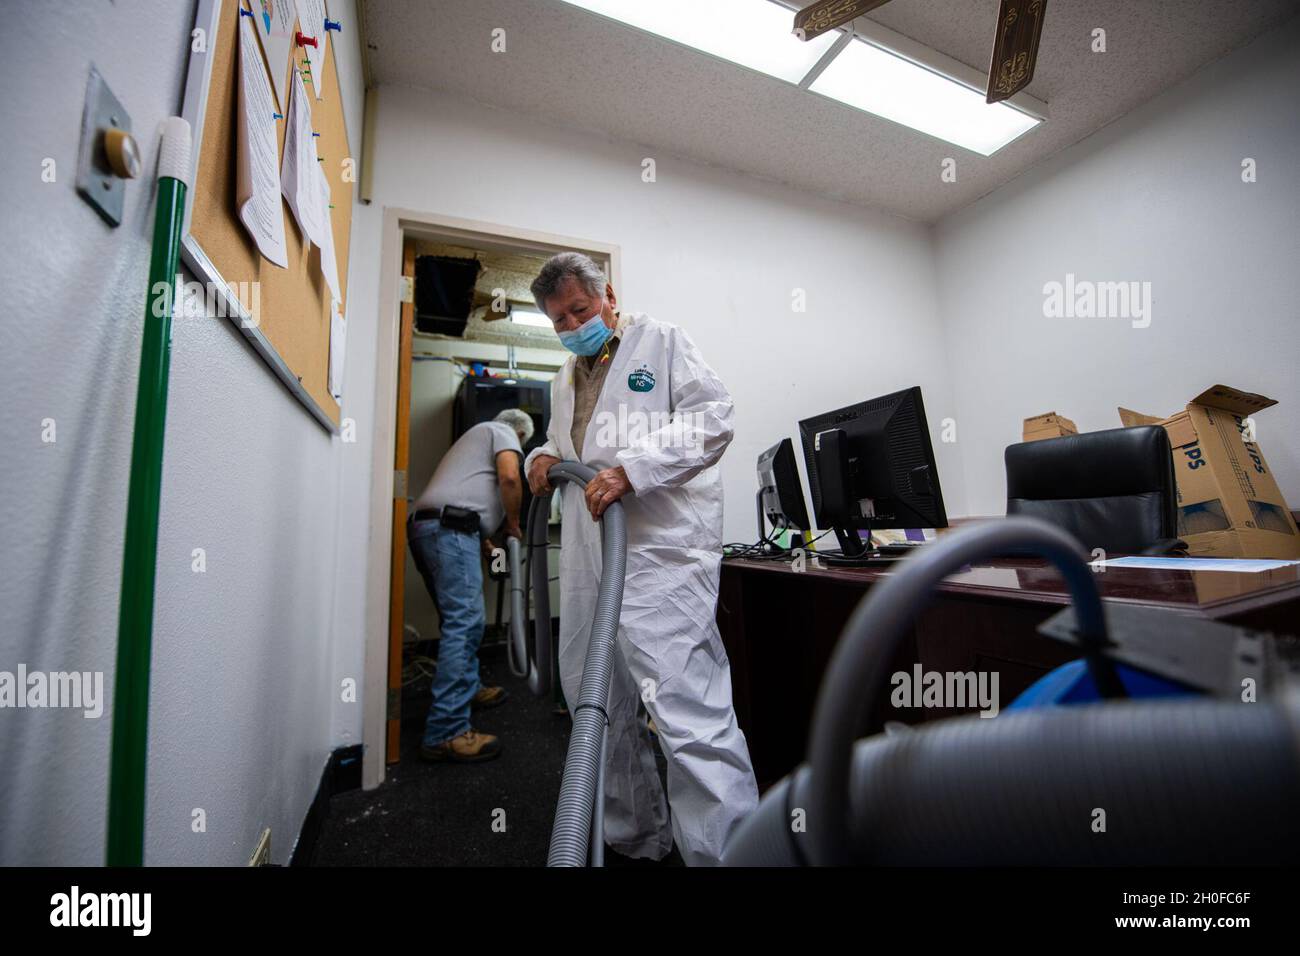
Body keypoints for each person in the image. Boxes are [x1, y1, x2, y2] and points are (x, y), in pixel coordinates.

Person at [524, 251, 759, 866]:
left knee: (686, 713)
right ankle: (636, 837)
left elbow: (714, 418)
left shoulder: (660, 342)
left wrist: (636, 469)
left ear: (608, 298)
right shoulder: (563, 379)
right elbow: (560, 447)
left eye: (579, 309)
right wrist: (539, 462)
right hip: (587, 559)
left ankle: (727, 854)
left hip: (660, 558)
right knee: (594, 703)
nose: (572, 325)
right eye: (558, 319)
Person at [408, 408, 534, 763]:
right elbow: (510, 478)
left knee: (458, 623)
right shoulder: (502, 431)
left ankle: (467, 688)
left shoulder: (474, 439)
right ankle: (446, 730)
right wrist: (512, 524)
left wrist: (486, 544)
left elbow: (465, 500)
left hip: (433, 528)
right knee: (465, 625)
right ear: (521, 435)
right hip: (450, 531)